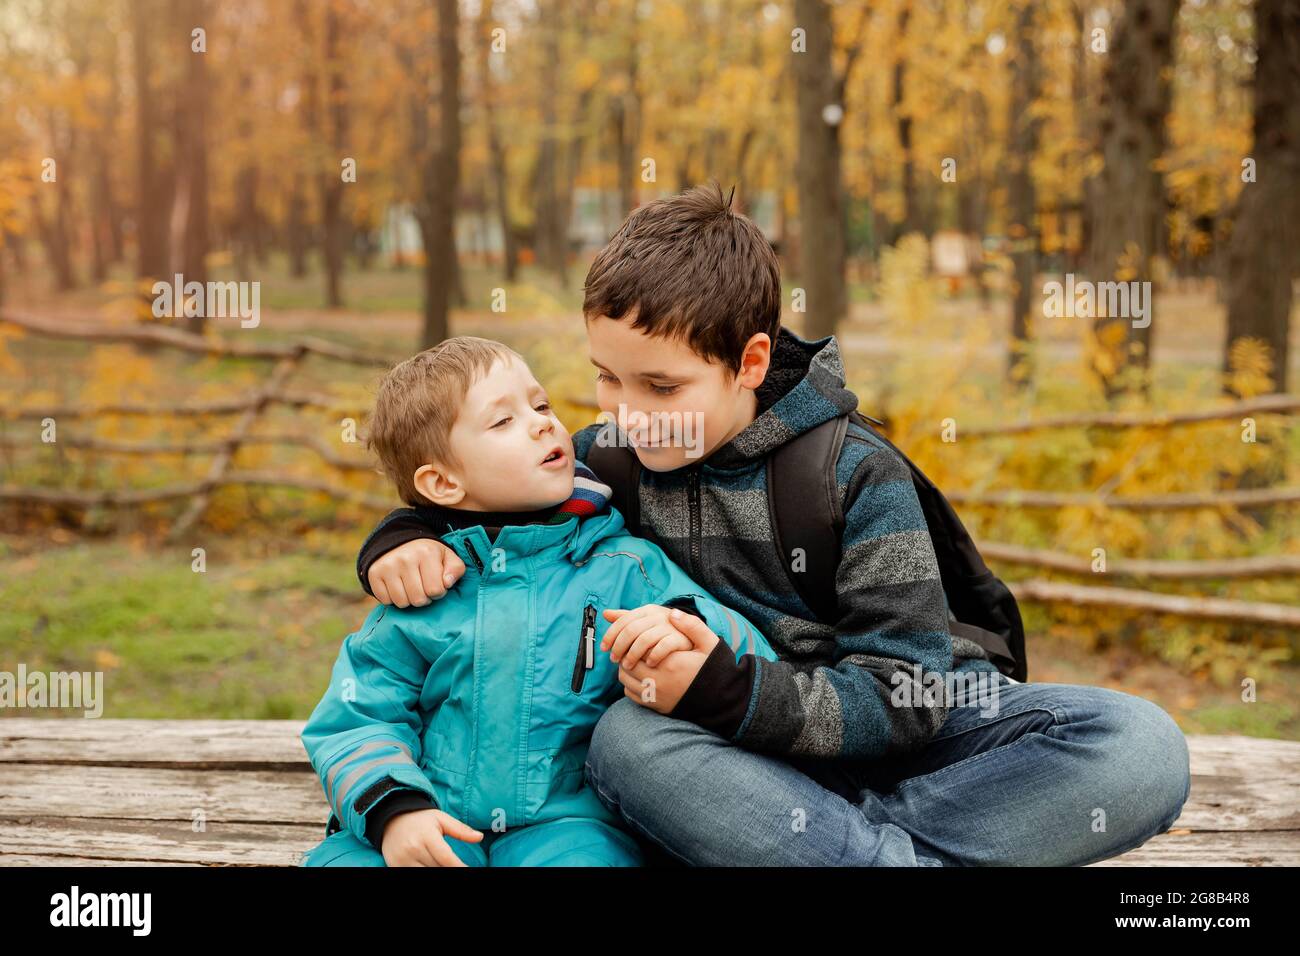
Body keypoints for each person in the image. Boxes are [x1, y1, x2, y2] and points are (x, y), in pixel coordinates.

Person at [355, 184, 1191, 866]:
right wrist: (401, 539)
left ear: (750, 363)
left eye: (662, 387)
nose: (626, 414)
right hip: (738, 762)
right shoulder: (610, 459)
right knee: (624, 743)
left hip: (901, 739)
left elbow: (910, 696)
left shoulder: (853, 475)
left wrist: (722, 686)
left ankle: (844, 852)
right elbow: (484, 500)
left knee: (1140, 745)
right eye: (605, 378)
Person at [299, 335, 775, 867]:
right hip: (433, 815)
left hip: (567, 823)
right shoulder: (424, 586)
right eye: (502, 421)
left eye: (541, 404)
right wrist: (396, 811)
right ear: (442, 481)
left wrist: (684, 630)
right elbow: (357, 717)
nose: (544, 423)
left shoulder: (623, 566)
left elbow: (750, 648)